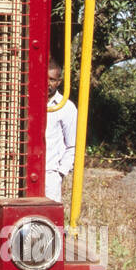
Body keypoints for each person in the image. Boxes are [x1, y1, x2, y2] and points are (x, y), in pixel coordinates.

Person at [45, 58, 77, 203]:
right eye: (45, 78)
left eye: (52, 79)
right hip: (23, 173)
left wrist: (60, 173)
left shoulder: (66, 107)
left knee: (48, 219)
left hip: (50, 174)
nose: (47, 83)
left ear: (59, 81)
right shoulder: (25, 100)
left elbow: (73, 145)